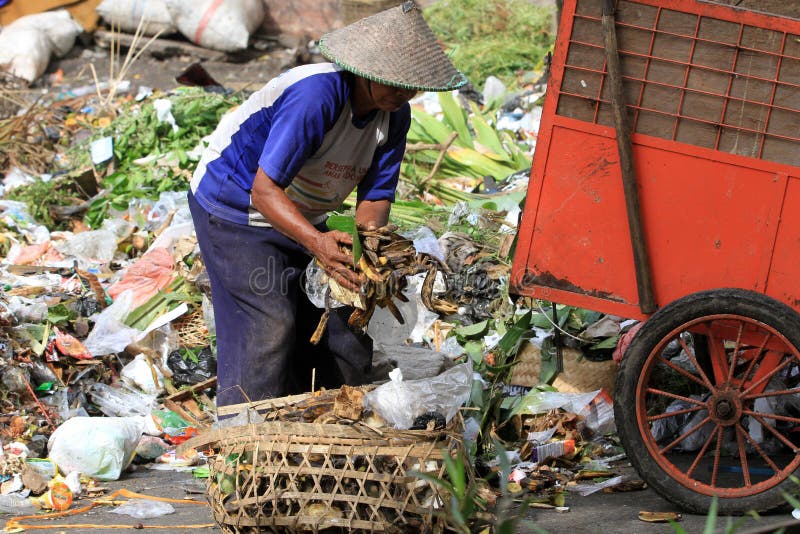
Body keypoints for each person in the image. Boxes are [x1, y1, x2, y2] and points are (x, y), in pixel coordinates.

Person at [187, 1, 466, 408]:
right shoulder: (317, 96)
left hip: (301, 212)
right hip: (234, 208)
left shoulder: (395, 115)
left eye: (412, 85)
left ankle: (328, 412)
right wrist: (317, 244)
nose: (403, 93)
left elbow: (374, 198)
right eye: (394, 82)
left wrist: (370, 256)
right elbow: (263, 192)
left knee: (344, 317)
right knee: (268, 323)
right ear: (366, 71)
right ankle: (242, 435)